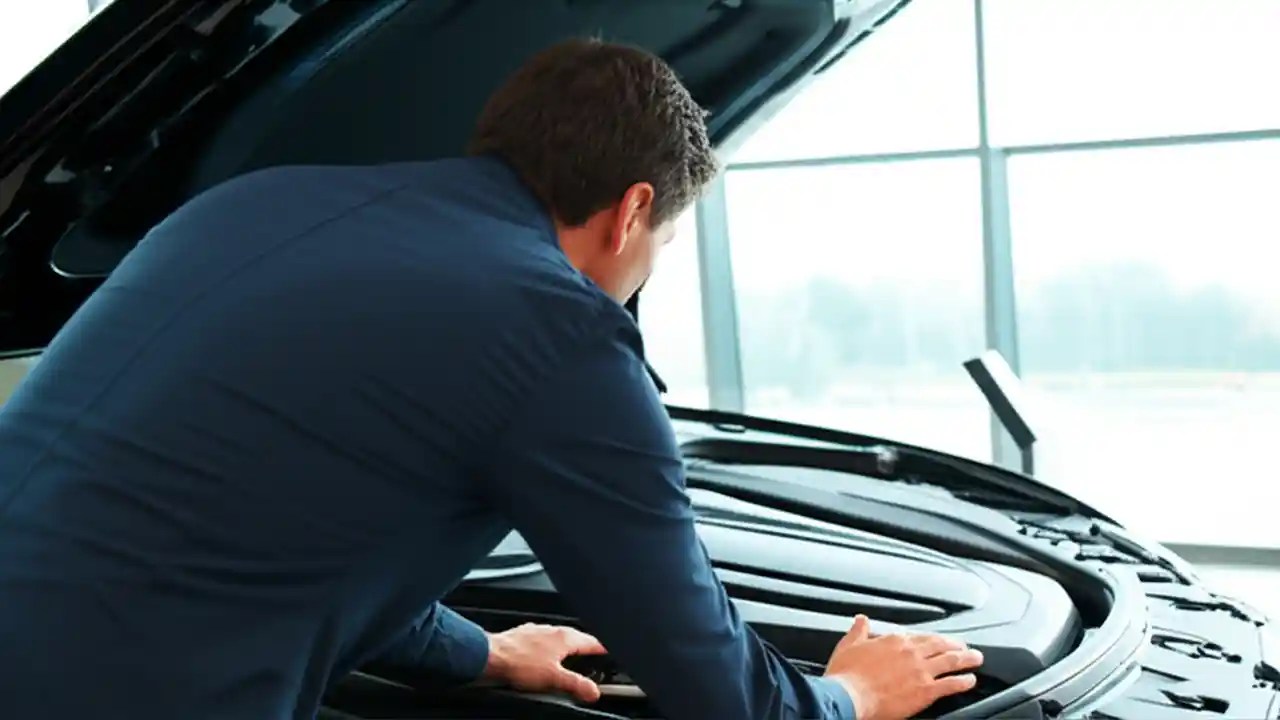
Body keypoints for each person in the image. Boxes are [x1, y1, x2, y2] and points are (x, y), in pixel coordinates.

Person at [0, 38, 982, 720]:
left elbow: (277, 529)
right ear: (632, 212)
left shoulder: (252, 205)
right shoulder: (558, 329)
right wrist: (853, 695)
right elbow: (715, 692)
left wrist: (483, 653)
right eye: (664, 240)